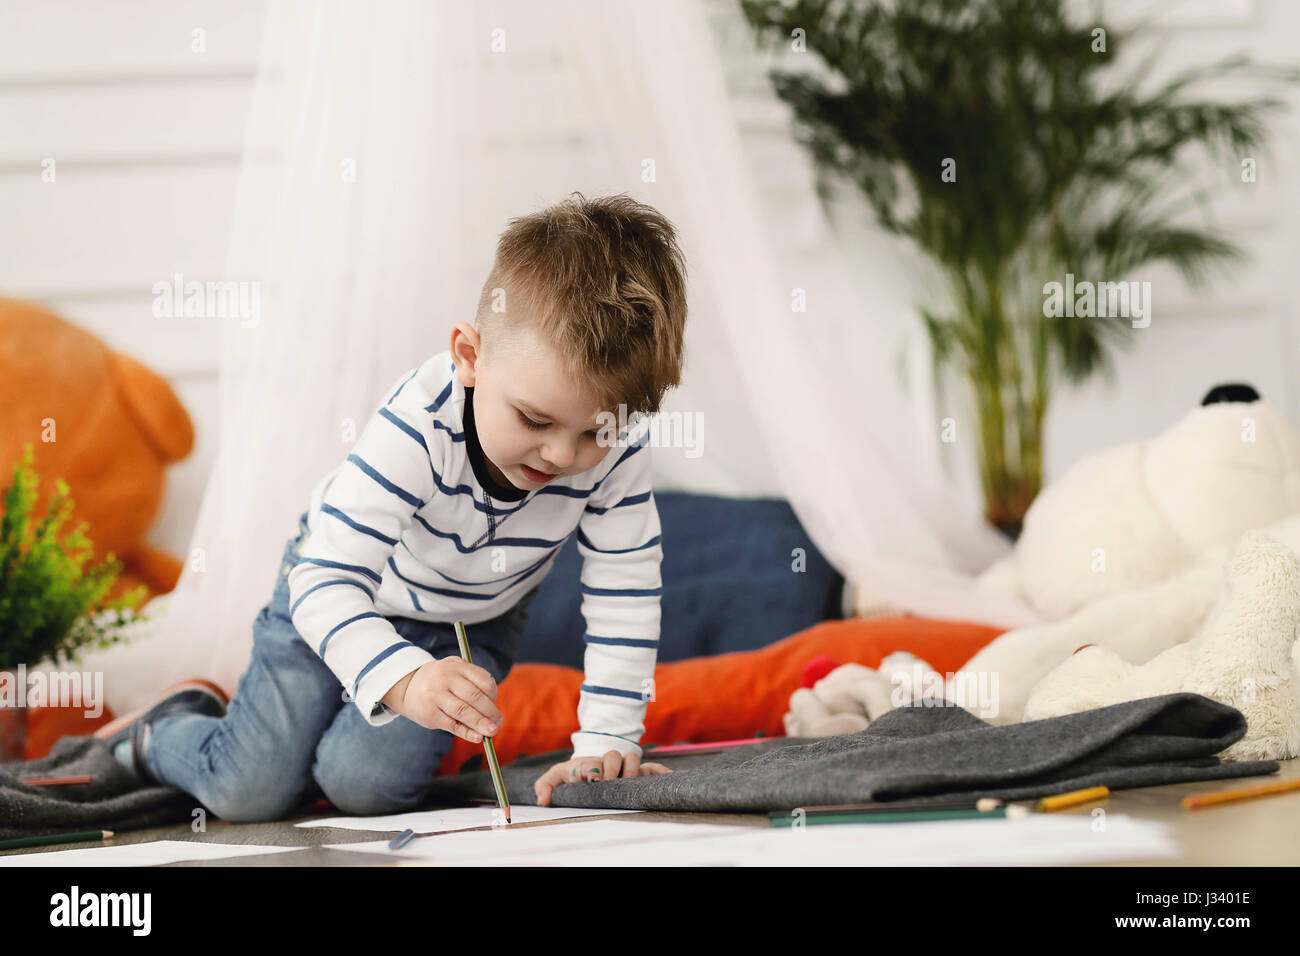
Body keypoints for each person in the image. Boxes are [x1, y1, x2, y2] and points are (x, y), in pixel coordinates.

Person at [97, 192, 687, 819]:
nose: (563, 456)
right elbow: (324, 582)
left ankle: (325, 747)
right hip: (341, 593)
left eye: (596, 433)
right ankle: (162, 731)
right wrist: (403, 681)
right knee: (248, 792)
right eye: (534, 419)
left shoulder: (620, 448)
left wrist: (607, 739)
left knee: (364, 790)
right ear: (470, 357)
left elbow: (625, 593)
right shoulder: (419, 426)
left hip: (469, 622)